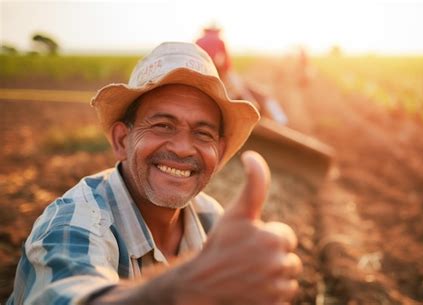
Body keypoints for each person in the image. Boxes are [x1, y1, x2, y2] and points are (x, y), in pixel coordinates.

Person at [7, 42, 302, 305]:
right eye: (163, 125)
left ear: (220, 152)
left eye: (203, 133)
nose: (184, 148)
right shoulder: (74, 223)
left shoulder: (211, 218)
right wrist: (188, 286)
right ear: (122, 140)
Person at [196, 25, 288, 125]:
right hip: (218, 71)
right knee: (241, 89)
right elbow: (225, 62)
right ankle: (254, 108)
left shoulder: (199, 41)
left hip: (201, 70)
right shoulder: (220, 41)